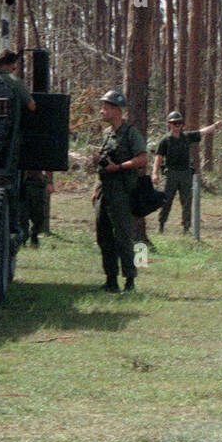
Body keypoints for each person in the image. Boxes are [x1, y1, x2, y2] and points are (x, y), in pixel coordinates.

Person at [92, 89, 148, 292]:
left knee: (123, 237)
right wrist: (95, 189)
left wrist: (120, 167)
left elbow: (142, 159)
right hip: (104, 191)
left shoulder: (130, 133)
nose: (102, 111)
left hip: (121, 192)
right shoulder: (107, 135)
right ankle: (110, 280)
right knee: (103, 236)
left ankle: (130, 281)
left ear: (117, 110)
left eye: (106, 108)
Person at [152, 111, 222, 234]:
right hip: (171, 174)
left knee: (187, 201)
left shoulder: (187, 136)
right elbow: (159, 157)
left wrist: (215, 126)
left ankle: (186, 228)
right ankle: (161, 224)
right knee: (166, 201)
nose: (177, 125)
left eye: (179, 123)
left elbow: (202, 132)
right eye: (174, 123)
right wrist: (155, 173)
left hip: (185, 174)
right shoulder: (165, 140)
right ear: (169, 124)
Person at [0, 51, 38, 244]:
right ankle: (12, 226)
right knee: (11, 183)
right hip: (9, 138)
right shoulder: (15, 83)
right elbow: (31, 106)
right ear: (13, 64)